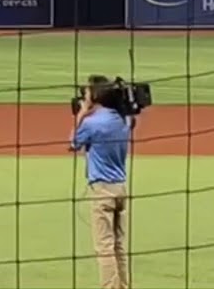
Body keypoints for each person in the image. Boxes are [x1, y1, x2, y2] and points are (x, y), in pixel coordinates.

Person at [71, 78, 132, 289]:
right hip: (121, 188)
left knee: (104, 246)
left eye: (87, 93)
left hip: (103, 190)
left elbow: (74, 144)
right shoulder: (124, 120)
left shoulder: (92, 123)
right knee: (118, 246)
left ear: (95, 96)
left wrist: (81, 114)